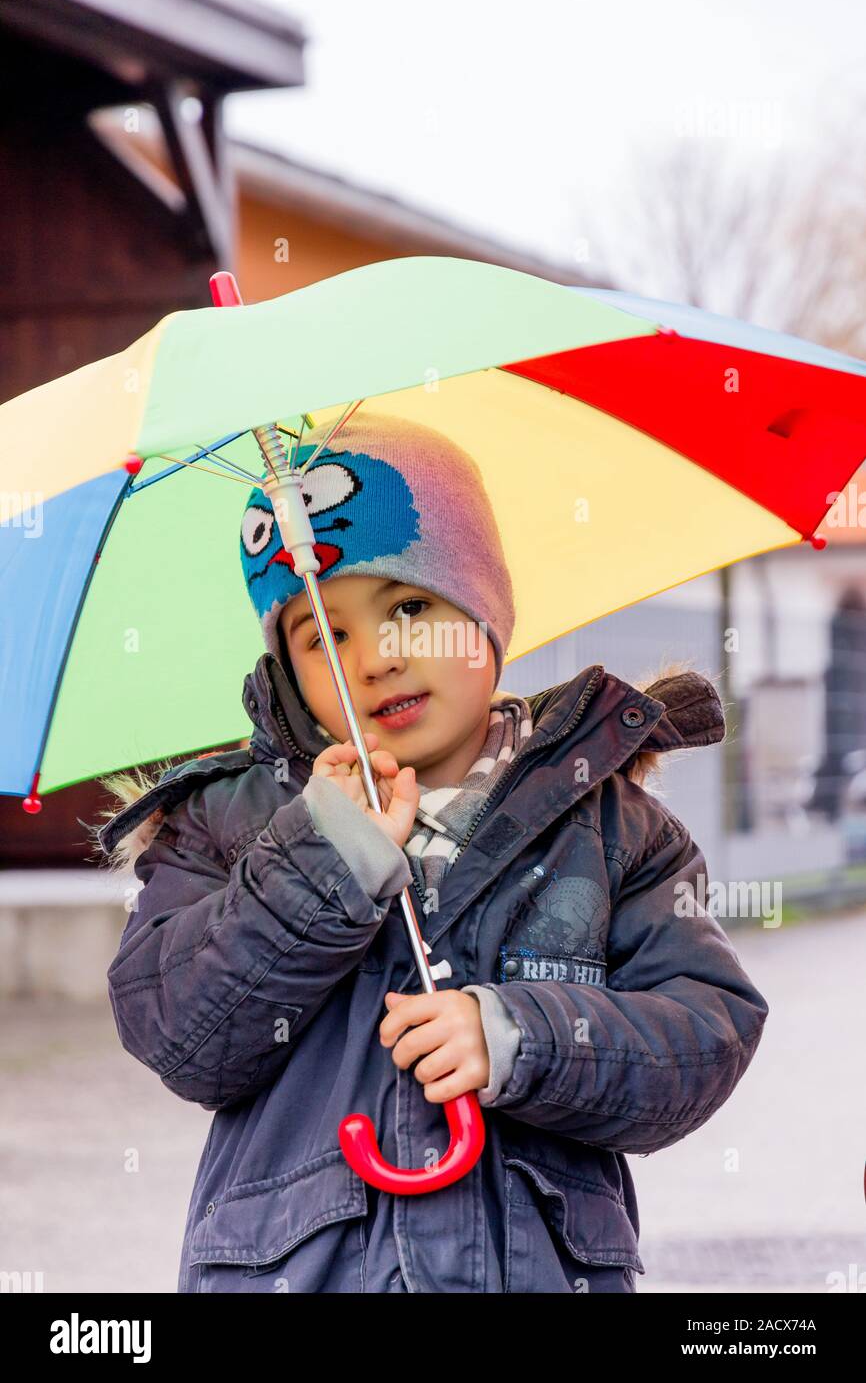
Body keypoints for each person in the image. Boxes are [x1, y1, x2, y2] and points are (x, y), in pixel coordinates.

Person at [94, 412, 769, 1293]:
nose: (373, 657)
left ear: (484, 612)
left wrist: (526, 1037)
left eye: (410, 607)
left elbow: (705, 1031)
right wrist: (318, 861)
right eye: (323, 635)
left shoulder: (607, 824)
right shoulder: (236, 818)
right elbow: (181, 1035)